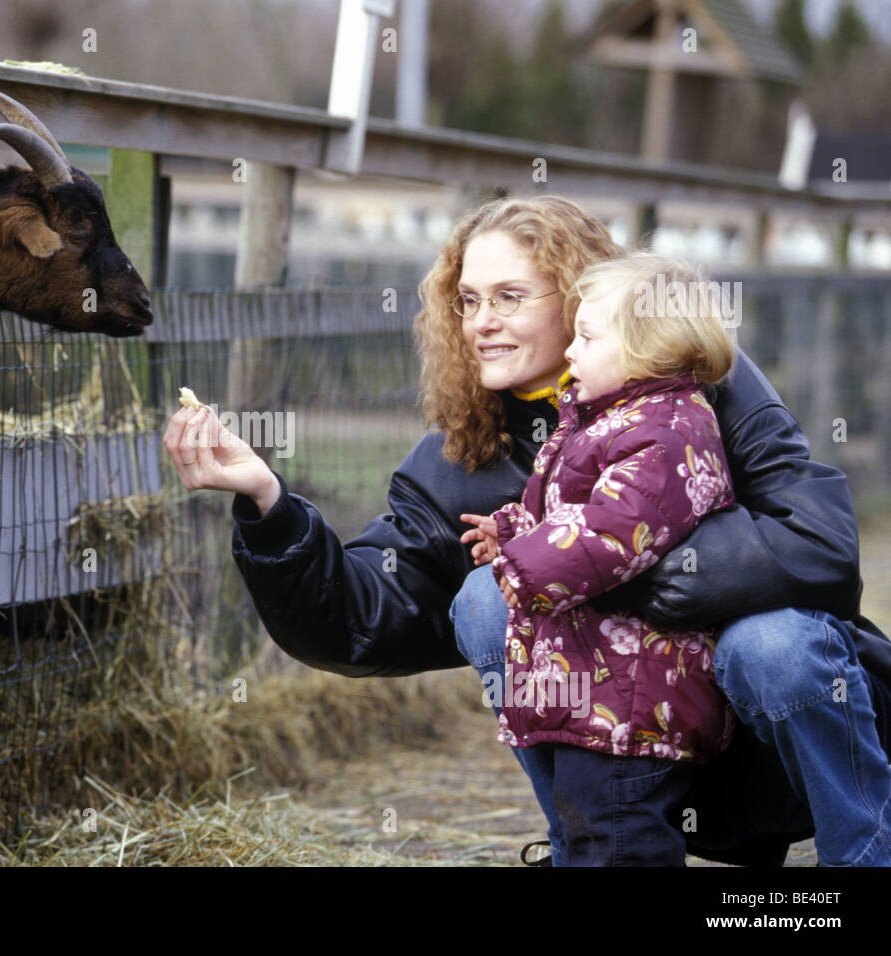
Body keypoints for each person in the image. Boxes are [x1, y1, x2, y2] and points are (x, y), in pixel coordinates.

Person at [162, 195, 891, 867]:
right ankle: (580, 842)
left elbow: (819, 544)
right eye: (469, 300)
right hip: (622, 761)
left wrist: (608, 572)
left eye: (510, 297)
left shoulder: (696, 389)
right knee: (484, 601)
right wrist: (266, 500)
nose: (480, 321)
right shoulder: (459, 458)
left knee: (772, 642)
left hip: (772, 745)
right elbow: (360, 621)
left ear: (579, 302)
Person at [459, 254, 738, 865]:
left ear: (649, 350)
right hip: (596, 686)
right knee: (590, 827)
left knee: (616, 836)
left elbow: (609, 534)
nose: (571, 353)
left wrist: (519, 569)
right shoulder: (609, 420)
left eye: (587, 338)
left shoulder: (666, 432)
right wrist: (512, 530)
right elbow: (568, 510)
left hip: (630, 696)